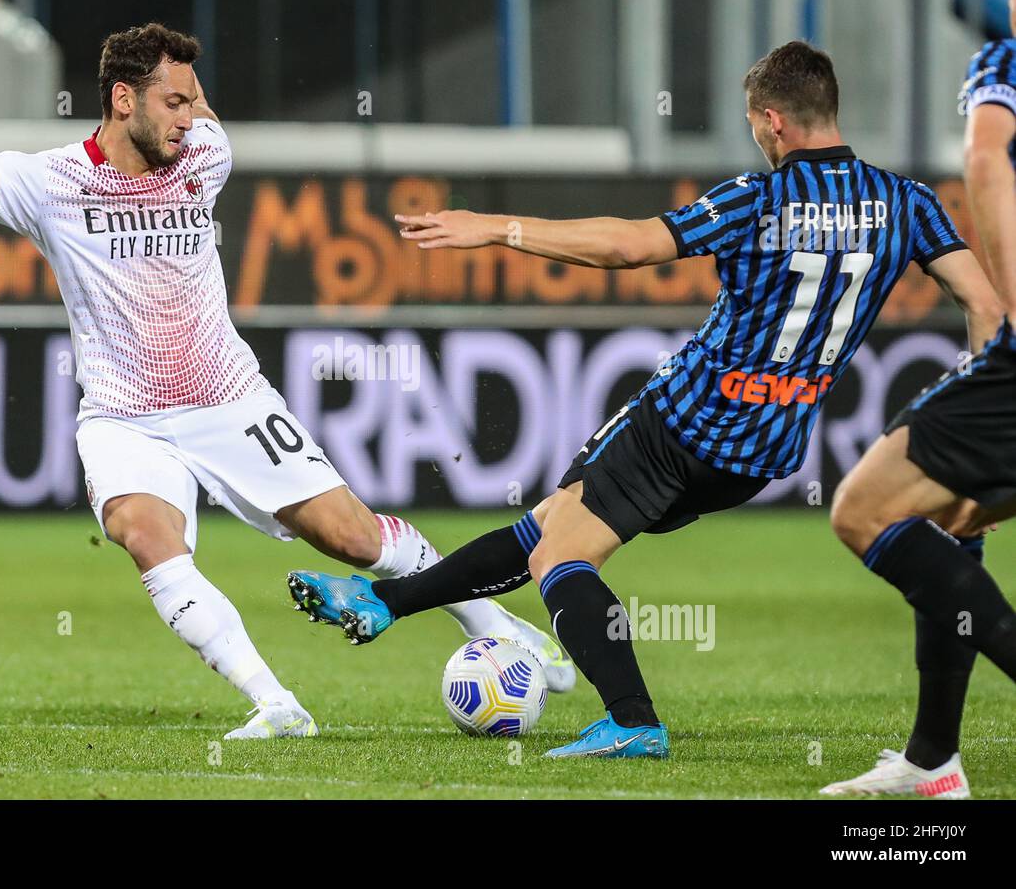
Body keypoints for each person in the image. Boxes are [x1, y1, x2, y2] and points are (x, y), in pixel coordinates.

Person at [0, 22, 572, 740]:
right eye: (174, 101)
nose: (191, 117)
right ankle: (277, 704)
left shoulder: (205, 155)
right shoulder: (49, 182)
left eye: (196, 101)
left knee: (355, 539)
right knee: (143, 535)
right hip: (125, 417)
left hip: (228, 398)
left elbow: (193, 116)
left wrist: (188, 96)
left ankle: (500, 630)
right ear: (122, 99)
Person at [288, 40, 1004, 760]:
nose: (756, 135)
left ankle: (632, 720)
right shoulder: (908, 203)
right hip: (764, 453)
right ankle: (384, 602)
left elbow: (630, 246)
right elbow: (983, 304)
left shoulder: (758, 198)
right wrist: (968, 447)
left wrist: (498, 228)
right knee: (550, 527)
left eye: (755, 123)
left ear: (774, 122)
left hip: (687, 418)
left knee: (559, 557)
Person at [821, 0, 1016, 798]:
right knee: (950, 514)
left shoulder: (1003, 61)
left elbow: (984, 157)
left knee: (864, 510)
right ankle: (934, 760)